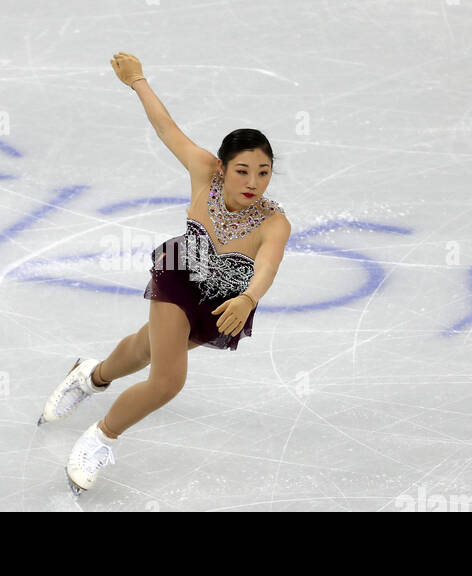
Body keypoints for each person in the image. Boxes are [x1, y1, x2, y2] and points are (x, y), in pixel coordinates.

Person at [39, 52, 291, 495]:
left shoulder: (274, 223)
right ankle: (100, 438)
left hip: (222, 304)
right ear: (223, 167)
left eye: (264, 173)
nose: (253, 181)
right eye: (243, 170)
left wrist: (249, 298)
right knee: (168, 380)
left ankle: (89, 376)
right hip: (178, 277)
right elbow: (165, 128)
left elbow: (267, 266)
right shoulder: (202, 172)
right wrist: (137, 79)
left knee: (143, 348)